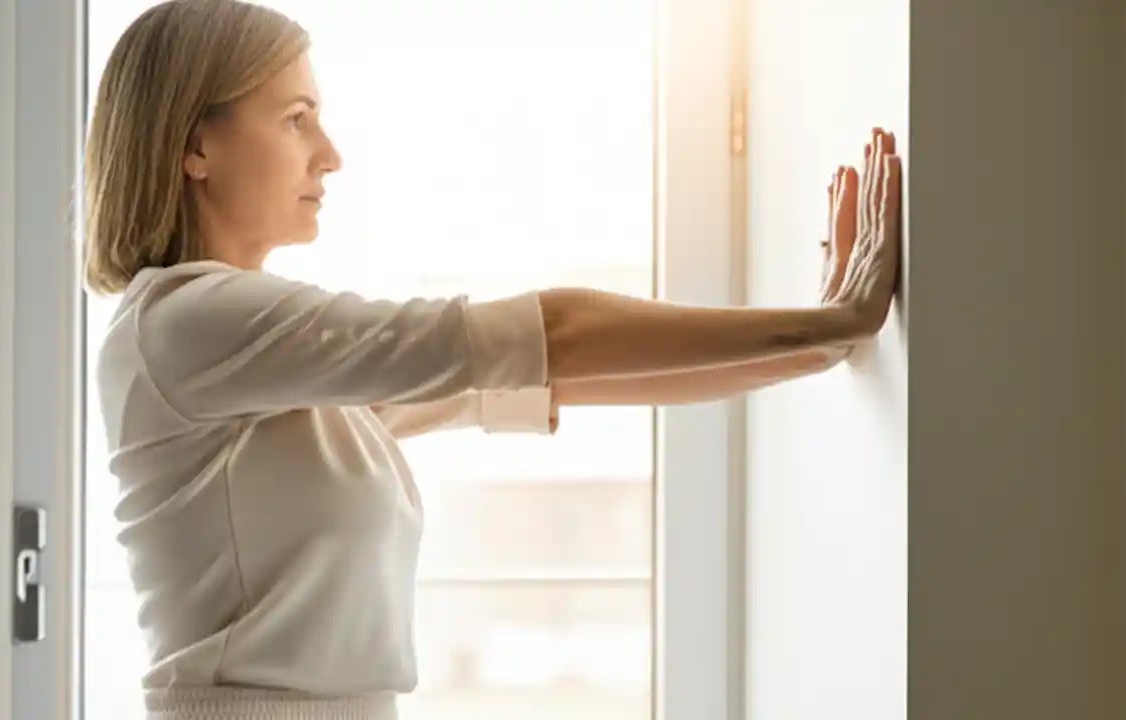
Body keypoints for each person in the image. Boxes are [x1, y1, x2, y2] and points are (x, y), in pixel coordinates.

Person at [87, 1, 902, 719]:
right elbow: (555, 330)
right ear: (197, 144)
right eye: (296, 117)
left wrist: (817, 343)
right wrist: (821, 326)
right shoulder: (190, 322)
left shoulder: (258, 361)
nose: (329, 153)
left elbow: (562, 374)